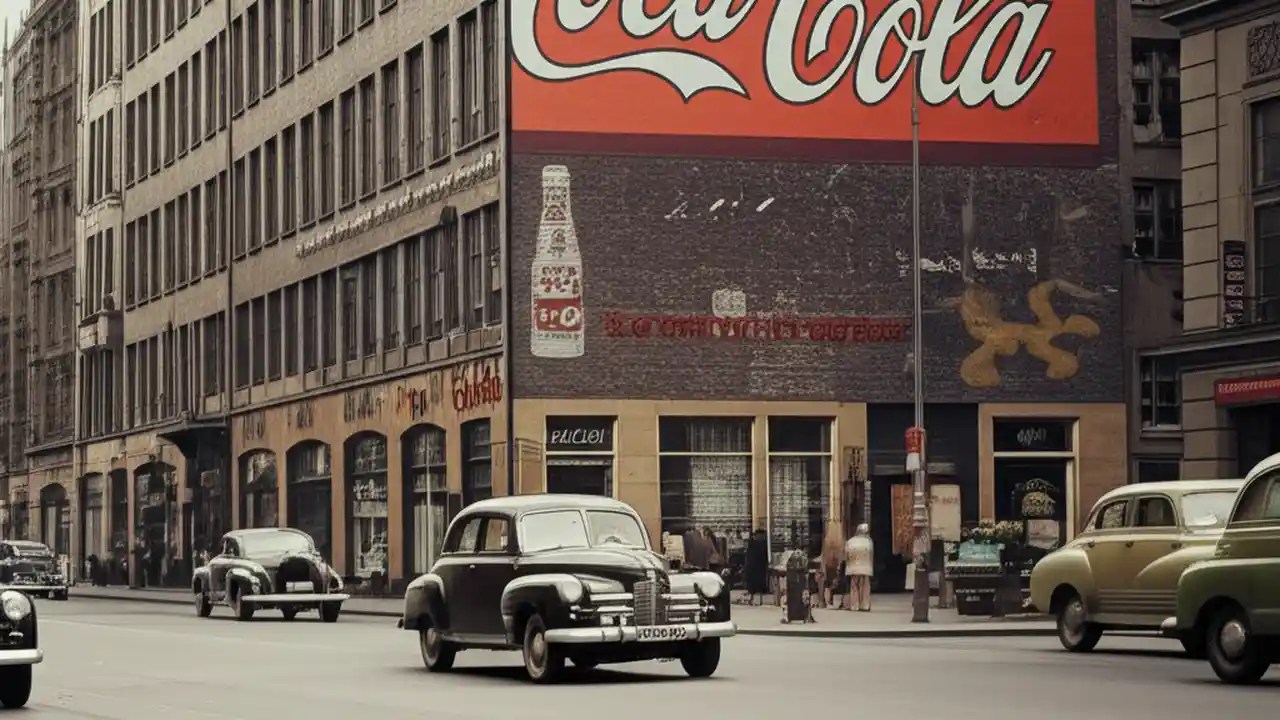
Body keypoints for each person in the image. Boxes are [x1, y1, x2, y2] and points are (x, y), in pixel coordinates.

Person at [845, 523, 874, 612]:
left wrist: (848, 564)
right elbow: (871, 556)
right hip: (865, 567)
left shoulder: (850, 541)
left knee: (854, 586)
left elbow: (846, 555)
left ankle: (854, 605)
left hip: (853, 567)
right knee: (865, 586)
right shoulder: (868, 542)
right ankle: (864, 605)